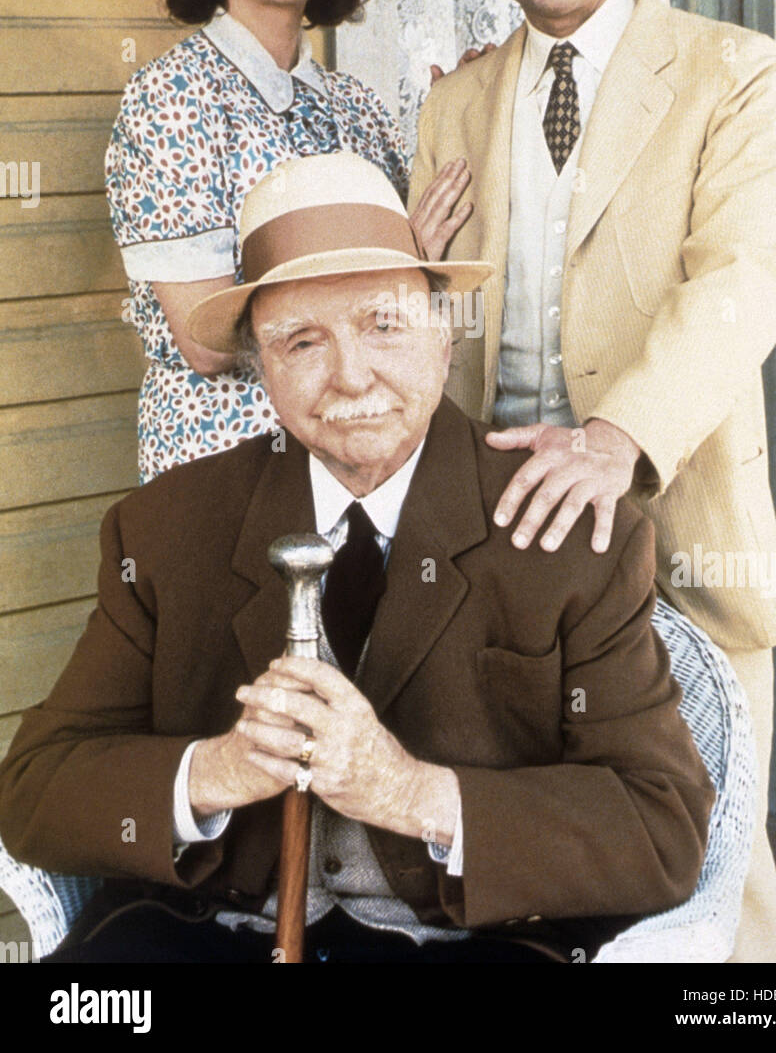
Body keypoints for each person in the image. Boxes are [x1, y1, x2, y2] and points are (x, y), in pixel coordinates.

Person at [0, 152, 713, 965]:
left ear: (444, 332)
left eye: (383, 324)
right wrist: (215, 773)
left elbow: (662, 830)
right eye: (301, 341)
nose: (351, 376)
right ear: (260, 368)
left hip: (469, 939)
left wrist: (416, 795)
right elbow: (35, 791)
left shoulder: (568, 530)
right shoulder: (165, 527)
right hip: (215, 932)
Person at [407, 0, 776, 963]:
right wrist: (409, 284)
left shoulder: (733, 70)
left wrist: (615, 439)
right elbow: (433, 327)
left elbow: (741, 281)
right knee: (526, 841)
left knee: (713, 853)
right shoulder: (452, 102)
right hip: (496, 536)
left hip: (671, 515)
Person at [106, 0, 425, 482]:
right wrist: (402, 268)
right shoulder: (173, 96)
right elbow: (207, 339)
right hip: (224, 472)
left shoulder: (357, 109)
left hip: (357, 469)